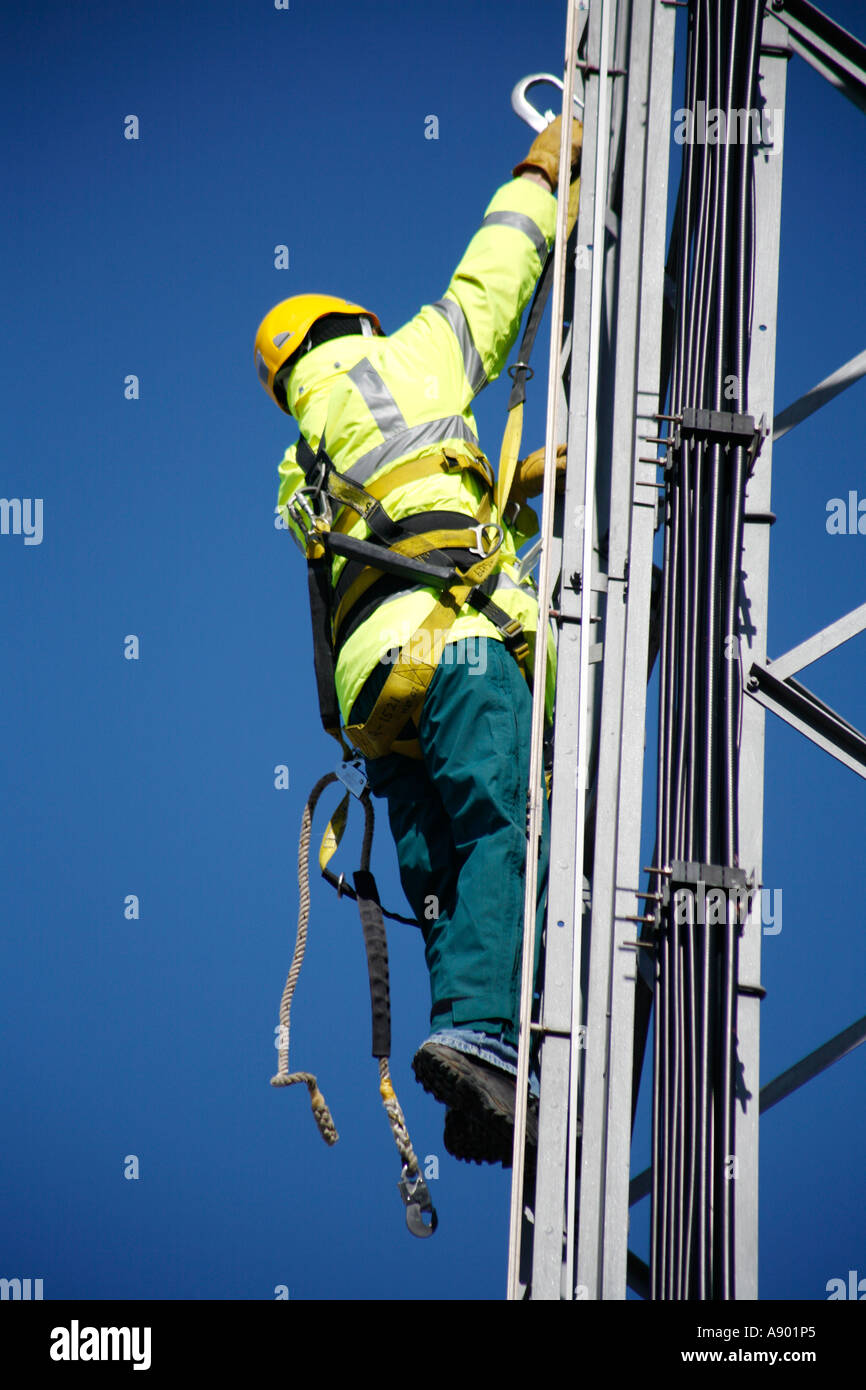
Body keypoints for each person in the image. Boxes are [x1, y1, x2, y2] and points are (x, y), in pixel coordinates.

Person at [254, 115, 582, 1165]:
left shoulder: (303, 463)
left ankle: (468, 1052)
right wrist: (543, 166)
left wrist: (514, 491)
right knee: (501, 819)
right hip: (450, 641)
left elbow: (417, 511)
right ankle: (488, 1030)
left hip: (371, 696)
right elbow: (496, 275)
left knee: (437, 862)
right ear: (356, 322)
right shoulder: (408, 358)